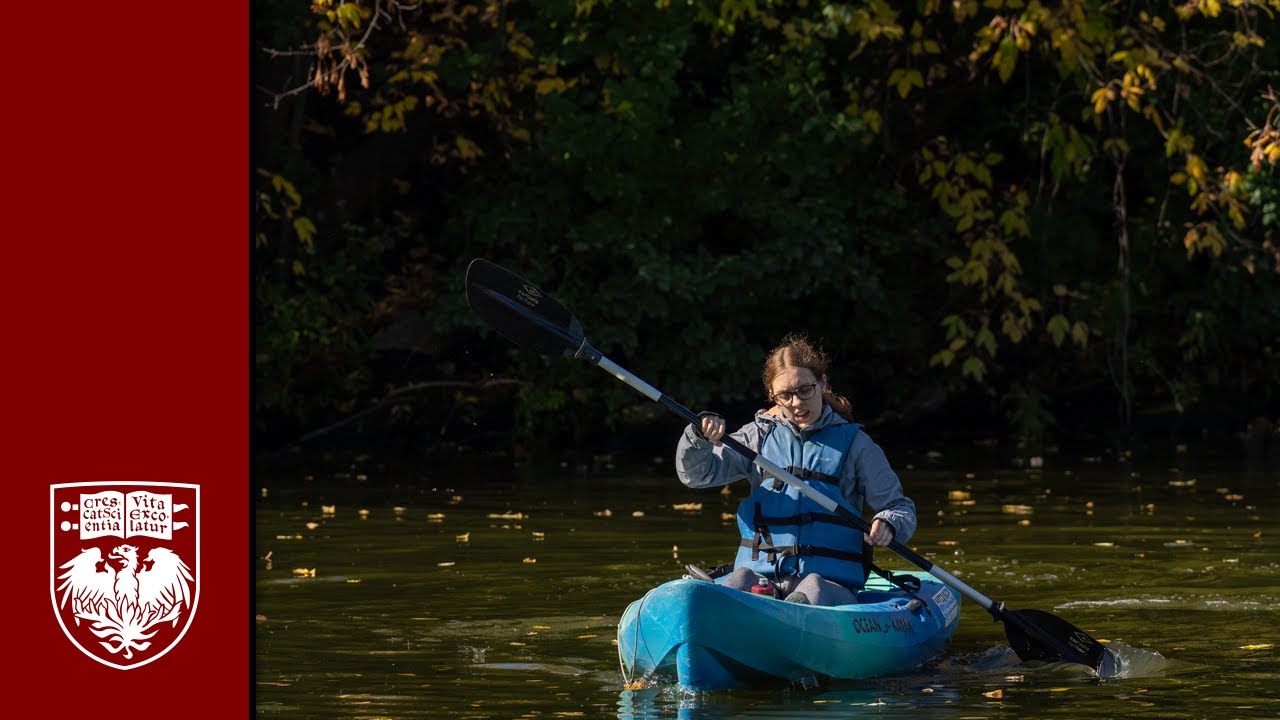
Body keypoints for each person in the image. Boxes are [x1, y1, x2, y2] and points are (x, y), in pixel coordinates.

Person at [675, 334, 916, 606]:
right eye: (785, 395)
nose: (797, 403)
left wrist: (888, 522)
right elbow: (697, 475)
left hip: (829, 585)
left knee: (812, 587)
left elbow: (900, 507)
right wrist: (698, 437)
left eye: (805, 390)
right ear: (772, 395)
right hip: (762, 577)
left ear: (822, 383)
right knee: (739, 579)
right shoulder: (757, 437)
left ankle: (792, 620)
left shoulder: (857, 445)